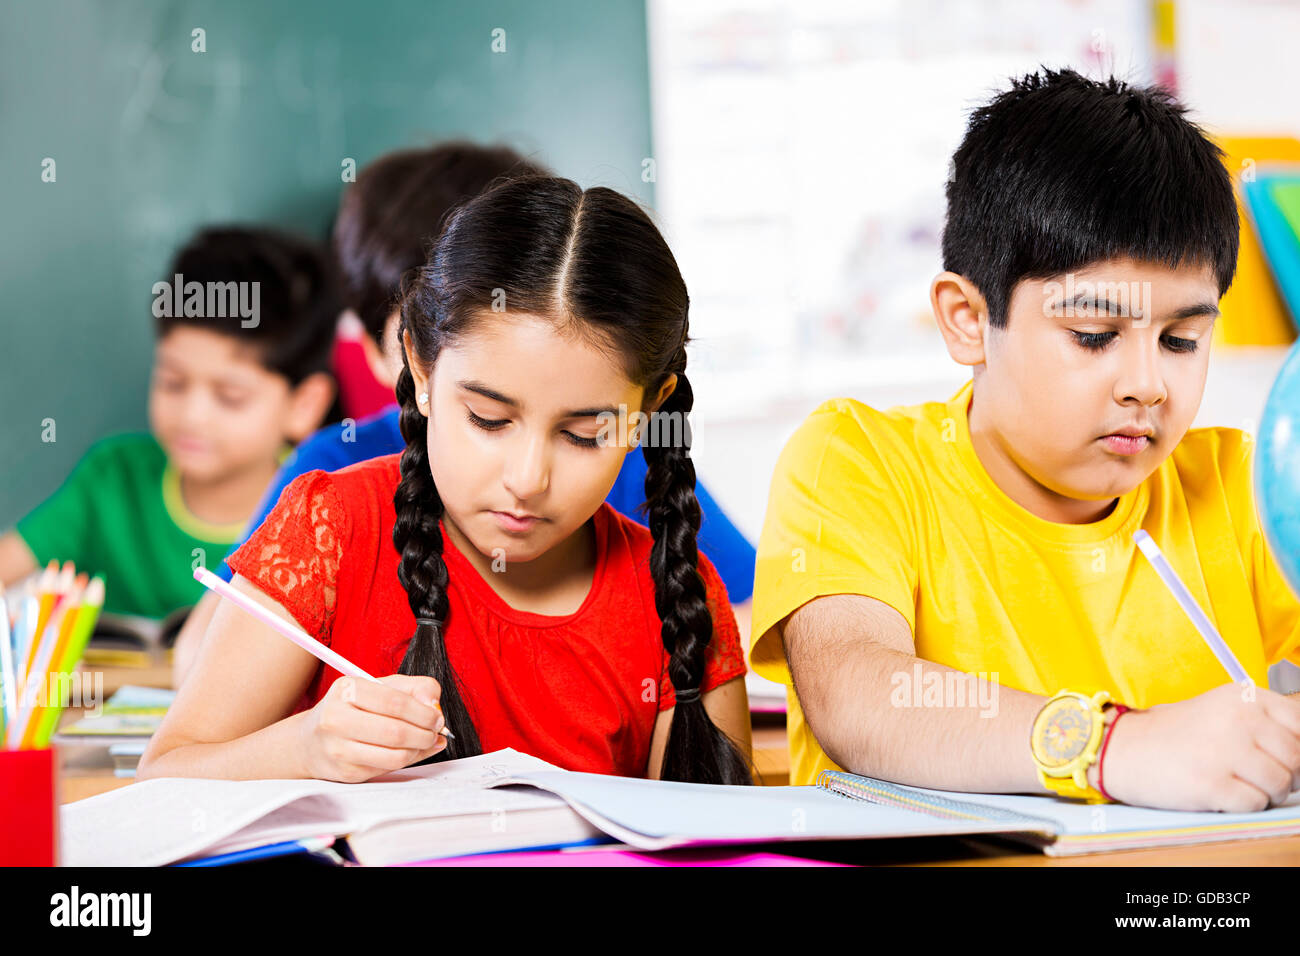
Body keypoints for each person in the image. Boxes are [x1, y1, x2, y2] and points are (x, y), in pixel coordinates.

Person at [750, 69, 1300, 811]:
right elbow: (855, 695)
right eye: (1093, 334)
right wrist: (1111, 747)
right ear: (968, 320)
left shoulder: (1248, 484)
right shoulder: (857, 460)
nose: (1148, 384)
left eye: (1181, 339)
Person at [139, 176, 753, 784]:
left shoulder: (677, 595)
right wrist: (304, 748)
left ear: (649, 411)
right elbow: (165, 776)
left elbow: (709, 838)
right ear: (420, 366)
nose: (527, 479)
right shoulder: (331, 531)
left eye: (583, 435)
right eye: (488, 419)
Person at [0, 227, 337, 618]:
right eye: (172, 382)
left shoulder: (319, 519)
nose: (192, 416)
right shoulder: (112, 479)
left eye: (230, 397)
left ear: (305, 404)